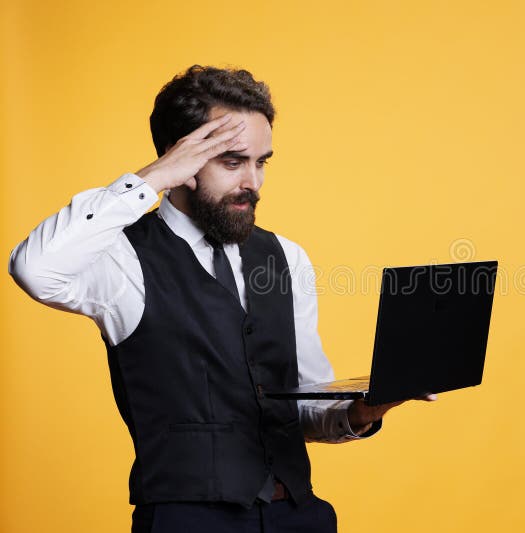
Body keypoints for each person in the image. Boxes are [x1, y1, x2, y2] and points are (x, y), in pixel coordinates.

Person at [8, 65, 431, 533]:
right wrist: (152, 178)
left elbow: (304, 405)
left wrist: (362, 410)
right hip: (186, 521)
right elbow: (35, 267)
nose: (253, 182)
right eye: (232, 162)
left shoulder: (285, 257)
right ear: (181, 159)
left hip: (298, 516)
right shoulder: (121, 258)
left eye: (262, 162)